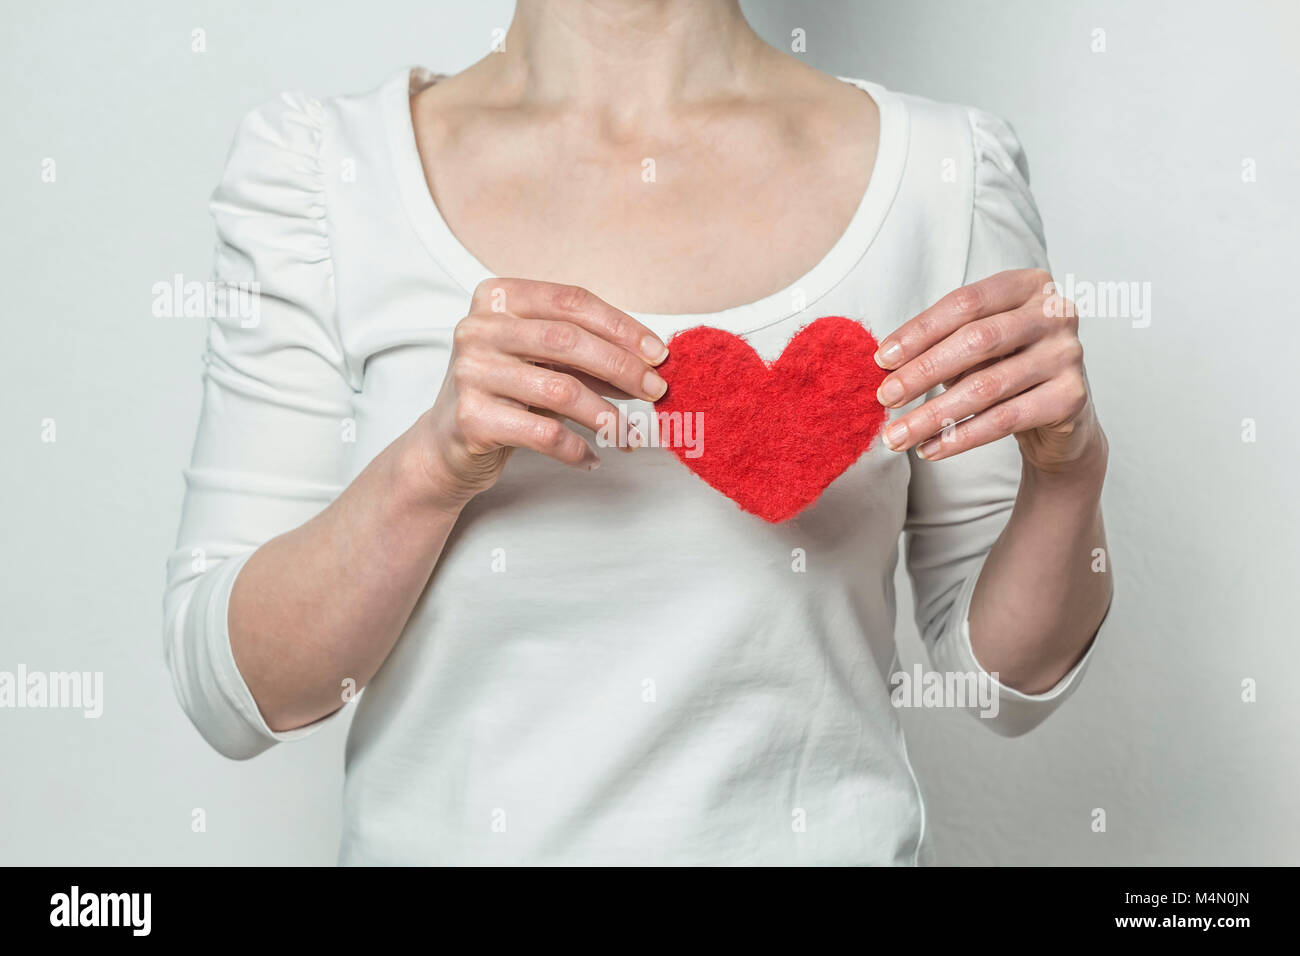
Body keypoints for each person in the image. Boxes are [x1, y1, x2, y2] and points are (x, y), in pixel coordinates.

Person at [165, 0, 1112, 864]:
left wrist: (1069, 475)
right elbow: (238, 694)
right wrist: (429, 469)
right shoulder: (325, 175)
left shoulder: (943, 175)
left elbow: (1001, 683)